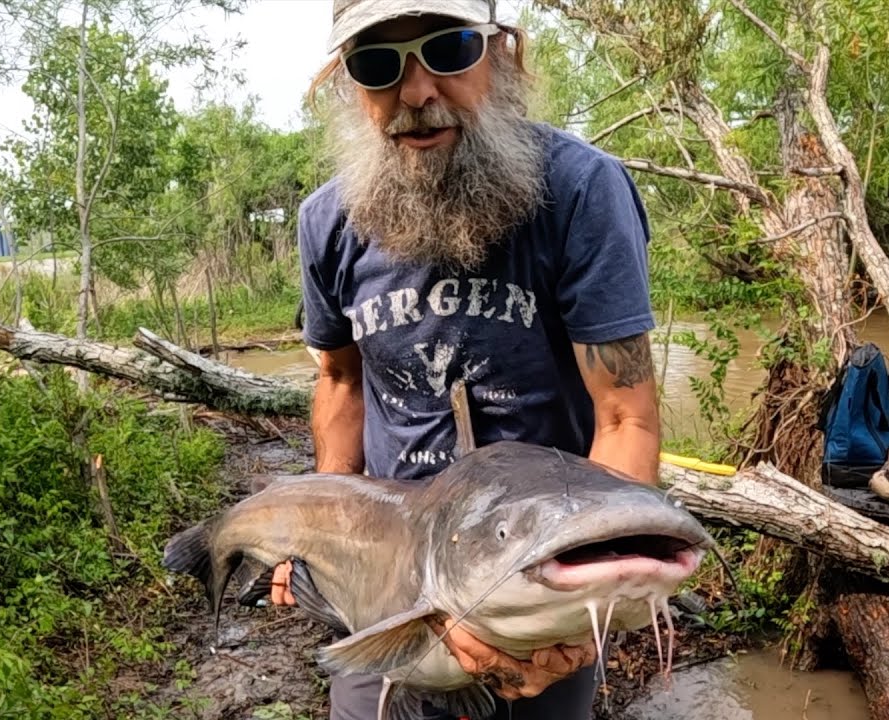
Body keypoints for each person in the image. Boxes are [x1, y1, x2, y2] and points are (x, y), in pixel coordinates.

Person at [278, 0, 663, 717]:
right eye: (377, 63)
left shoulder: (580, 194)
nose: (418, 93)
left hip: (539, 568)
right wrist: (315, 527)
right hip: (392, 566)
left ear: (502, 54)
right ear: (349, 85)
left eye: (449, 50)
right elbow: (338, 380)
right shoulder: (326, 222)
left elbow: (625, 414)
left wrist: (585, 620)